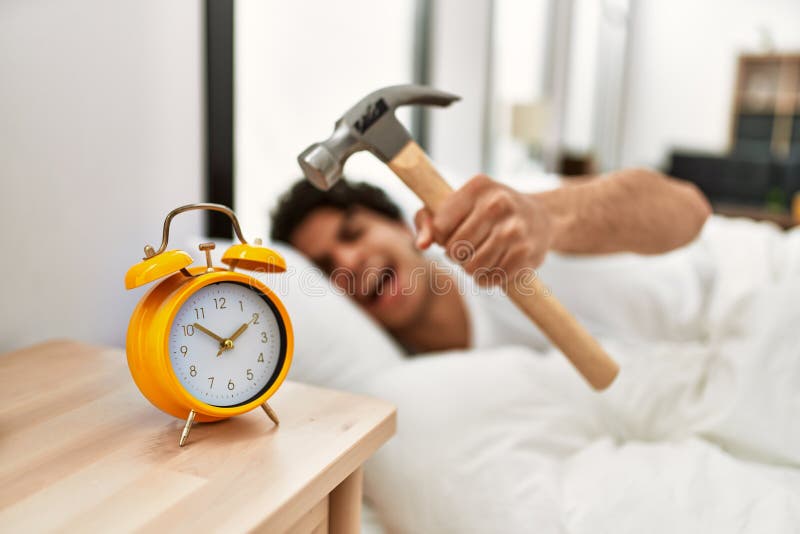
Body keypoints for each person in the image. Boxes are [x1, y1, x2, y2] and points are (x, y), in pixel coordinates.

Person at [270, 169, 711, 354]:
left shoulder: (501, 219)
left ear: (405, 227)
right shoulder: (395, 379)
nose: (347, 261)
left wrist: (550, 218)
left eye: (354, 232)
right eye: (326, 270)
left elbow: (689, 209)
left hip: (710, 304)